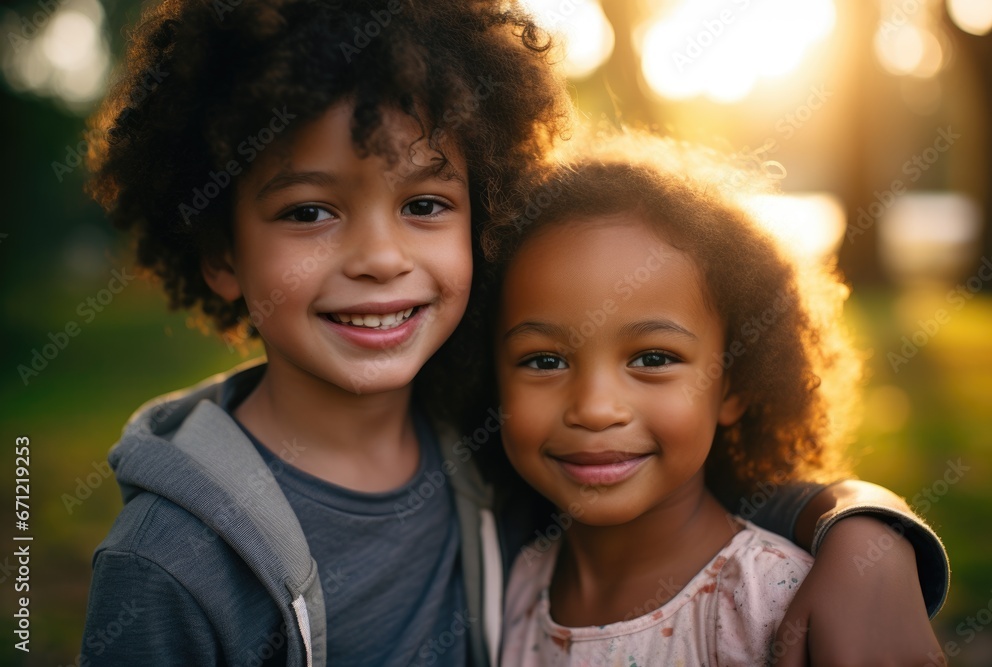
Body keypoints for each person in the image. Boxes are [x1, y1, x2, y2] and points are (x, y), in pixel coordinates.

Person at [79, 0, 946, 664]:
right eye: (309, 211)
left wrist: (864, 529)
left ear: (479, 220)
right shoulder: (170, 567)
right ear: (220, 252)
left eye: (424, 204)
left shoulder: (492, 433)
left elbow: (698, 495)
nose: (381, 257)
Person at [488, 135, 944, 665]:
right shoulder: (514, 582)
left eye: (653, 359)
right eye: (545, 361)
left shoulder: (775, 600)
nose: (593, 407)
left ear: (735, 385)